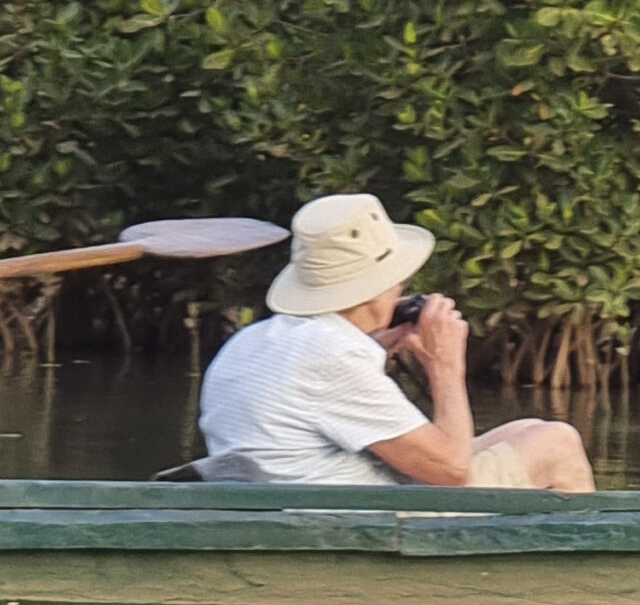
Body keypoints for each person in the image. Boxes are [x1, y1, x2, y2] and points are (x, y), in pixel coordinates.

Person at [195, 192, 595, 490]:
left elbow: (314, 401)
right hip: (352, 524)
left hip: (299, 508)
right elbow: (452, 471)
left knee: (524, 429)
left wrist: (376, 348)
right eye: (399, 278)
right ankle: (578, 579)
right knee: (555, 442)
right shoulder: (334, 355)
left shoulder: (251, 340)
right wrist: (445, 366)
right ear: (374, 289)